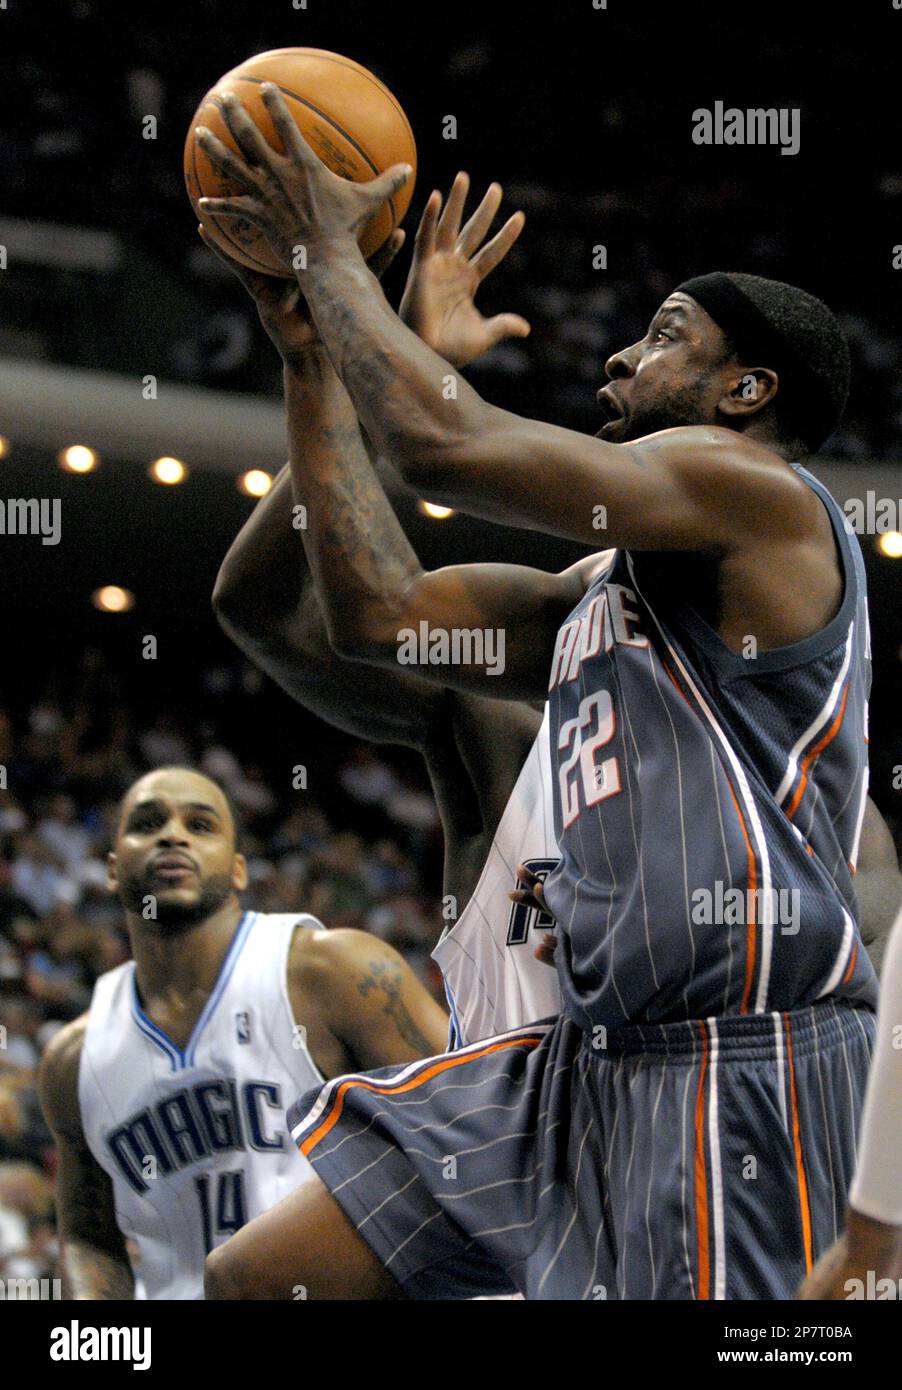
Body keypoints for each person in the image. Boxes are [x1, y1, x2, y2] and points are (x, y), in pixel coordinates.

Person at [197, 92, 882, 1299]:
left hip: (735, 1045)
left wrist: (332, 258)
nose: (621, 354)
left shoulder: (755, 497)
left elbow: (444, 449)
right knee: (263, 1275)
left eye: (665, 334)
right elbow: (377, 614)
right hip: (576, 1064)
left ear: (743, 394)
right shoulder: (594, 594)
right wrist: (316, 357)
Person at [210, 182, 580, 1045]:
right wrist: (350, 368)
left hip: (690, 1154)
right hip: (508, 1154)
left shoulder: (777, 785)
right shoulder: (510, 734)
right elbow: (258, 608)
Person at [38, 766, 447, 1299]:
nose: (173, 835)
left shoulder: (333, 972)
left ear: (237, 871)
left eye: (200, 824)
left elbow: (467, 1131)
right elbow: (89, 1239)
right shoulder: (74, 1058)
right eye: (148, 822)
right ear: (113, 869)